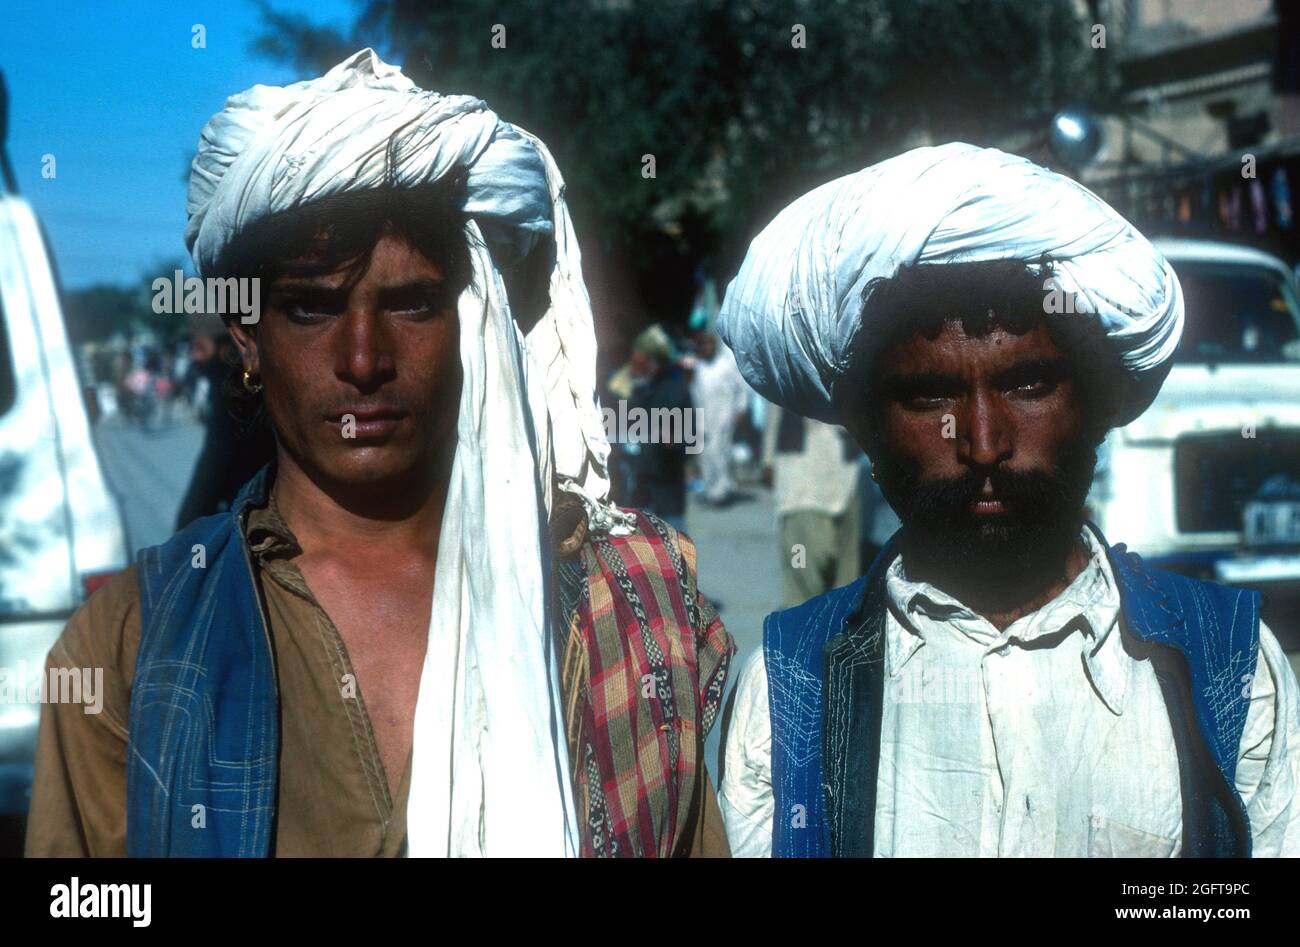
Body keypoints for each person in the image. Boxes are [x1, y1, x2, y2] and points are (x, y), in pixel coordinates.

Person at [26, 49, 732, 858]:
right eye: (311, 309)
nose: (364, 359)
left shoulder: (620, 603)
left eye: (412, 304)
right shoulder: (130, 649)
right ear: (246, 336)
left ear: (475, 322)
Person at [716, 142, 1300, 857]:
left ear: (1098, 406)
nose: (984, 443)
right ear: (866, 426)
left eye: (1029, 385)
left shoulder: (1233, 670)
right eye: (930, 395)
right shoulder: (788, 692)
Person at [762, 405, 861, 608]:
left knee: (846, 579)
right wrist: (768, 460)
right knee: (801, 569)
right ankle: (801, 622)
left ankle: (838, 623)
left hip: (847, 479)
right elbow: (774, 415)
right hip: (800, 488)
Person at [689, 329, 749, 506]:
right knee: (705, 453)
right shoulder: (697, 367)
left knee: (720, 451)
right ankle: (711, 489)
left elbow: (742, 388)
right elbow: (693, 393)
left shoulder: (727, 364)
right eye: (704, 345)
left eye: (710, 344)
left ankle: (721, 491)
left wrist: (741, 408)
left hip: (724, 414)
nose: (707, 347)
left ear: (714, 345)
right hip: (703, 416)